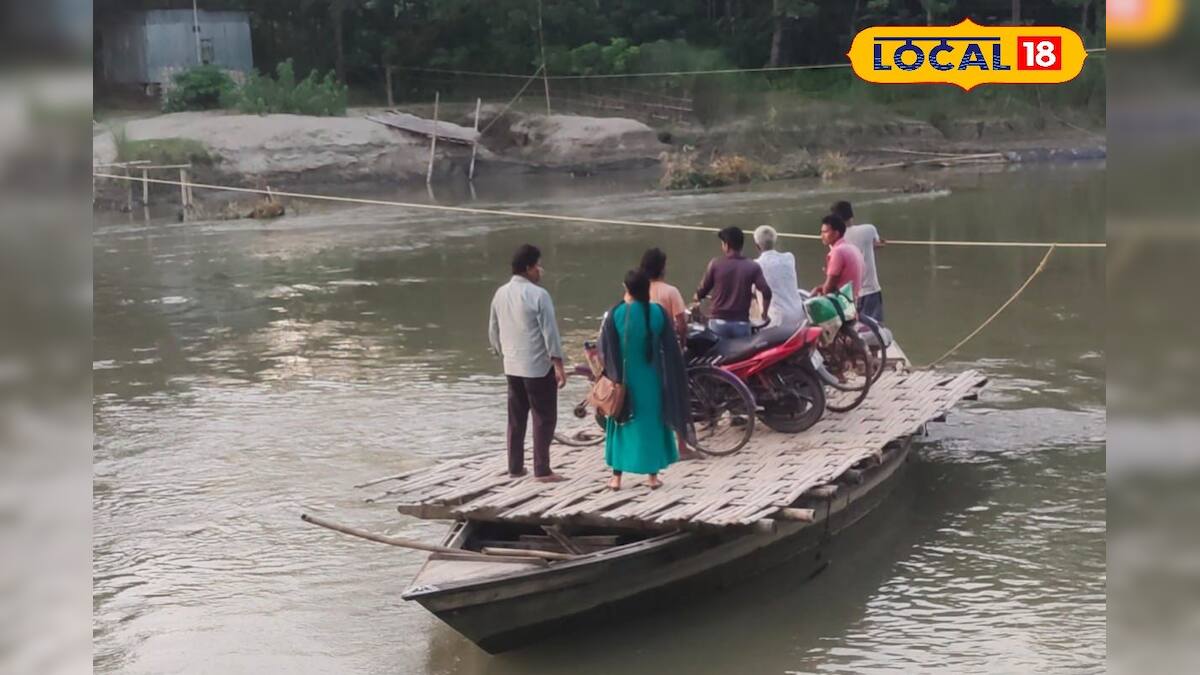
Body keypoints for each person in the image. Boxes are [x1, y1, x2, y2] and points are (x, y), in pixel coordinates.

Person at [599, 270, 690, 490]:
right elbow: (671, 349)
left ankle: (616, 479)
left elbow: (606, 351)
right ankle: (652, 478)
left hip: (623, 381)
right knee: (651, 425)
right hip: (651, 380)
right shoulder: (657, 313)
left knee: (621, 426)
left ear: (626, 288)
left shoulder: (616, 314)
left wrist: (613, 376)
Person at [488, 244, 568, 483]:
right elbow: (550, 333)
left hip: (512, 365)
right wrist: (558, 363)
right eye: (537, 266)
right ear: (527, 268)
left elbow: (493, 329)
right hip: (537, 365)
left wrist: (501, 353)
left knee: (516, 418)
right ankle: (542, 470)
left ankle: (515, 467)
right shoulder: (539, 295)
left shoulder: (500, 293)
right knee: (544, 417)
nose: (539, 270)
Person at [638, 247, 701, 461]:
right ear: (662, 267)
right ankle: (682, 447)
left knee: (651, 397)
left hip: (645, 351)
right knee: (676, 395)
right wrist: (682, 342)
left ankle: (651, 446)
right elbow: (681, 323)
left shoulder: (638, 291)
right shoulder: (670, 291)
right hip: (667, 349)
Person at [695, 226, 773, 339]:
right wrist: (764, 314)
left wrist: (696, 298)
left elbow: (702, 290)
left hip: (717, 323)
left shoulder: (715, 264)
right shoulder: (752, 266)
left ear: (726, 245)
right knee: (743, 356)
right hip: (741, 324)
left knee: (718, 355)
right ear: (741, 245)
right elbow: (767, 292)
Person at [831, 200, 886, 322]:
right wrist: (877, 244)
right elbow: (876, 244)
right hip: (870, 291)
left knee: (853, 332)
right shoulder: (869, 230)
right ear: (852, 215)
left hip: (847, 295)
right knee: (874, 331)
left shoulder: (835, 240)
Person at [752, 225, 806, 327]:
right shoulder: (789, 257)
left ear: (757, 246)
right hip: (799, 316)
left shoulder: (756, 265)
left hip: (776, 321)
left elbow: (753, 290)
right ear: (774, 242)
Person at [812, 213, 865, 300]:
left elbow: (828, 288)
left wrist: (820, 291)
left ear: (836, 233)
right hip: (854, 300)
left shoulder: (837, 252)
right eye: (821, 232)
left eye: (825, 232)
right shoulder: (853, 247)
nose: (821, 236)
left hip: (841, 304)